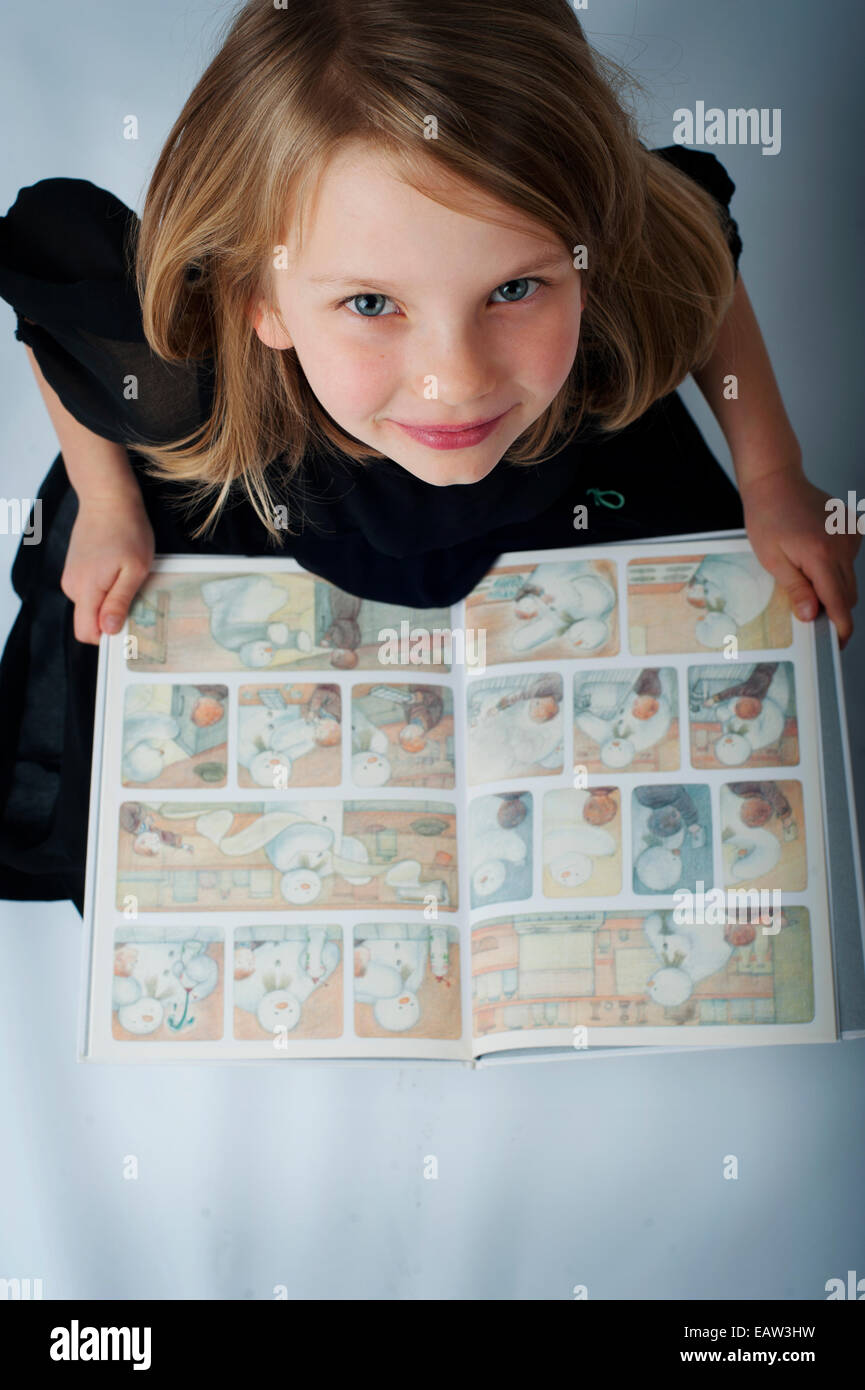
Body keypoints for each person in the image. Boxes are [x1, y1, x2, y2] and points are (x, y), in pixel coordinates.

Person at [0, 0, 858, 912]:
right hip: (266, 517)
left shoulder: (623, 260)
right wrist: (105, 503)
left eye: (514, 289)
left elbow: (698, 270)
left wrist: (770, 473)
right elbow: (60, 313)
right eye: (371, 304)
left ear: (591, 254)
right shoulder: (186, 373)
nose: (455, 382)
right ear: (261, 299)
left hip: (570, 498)